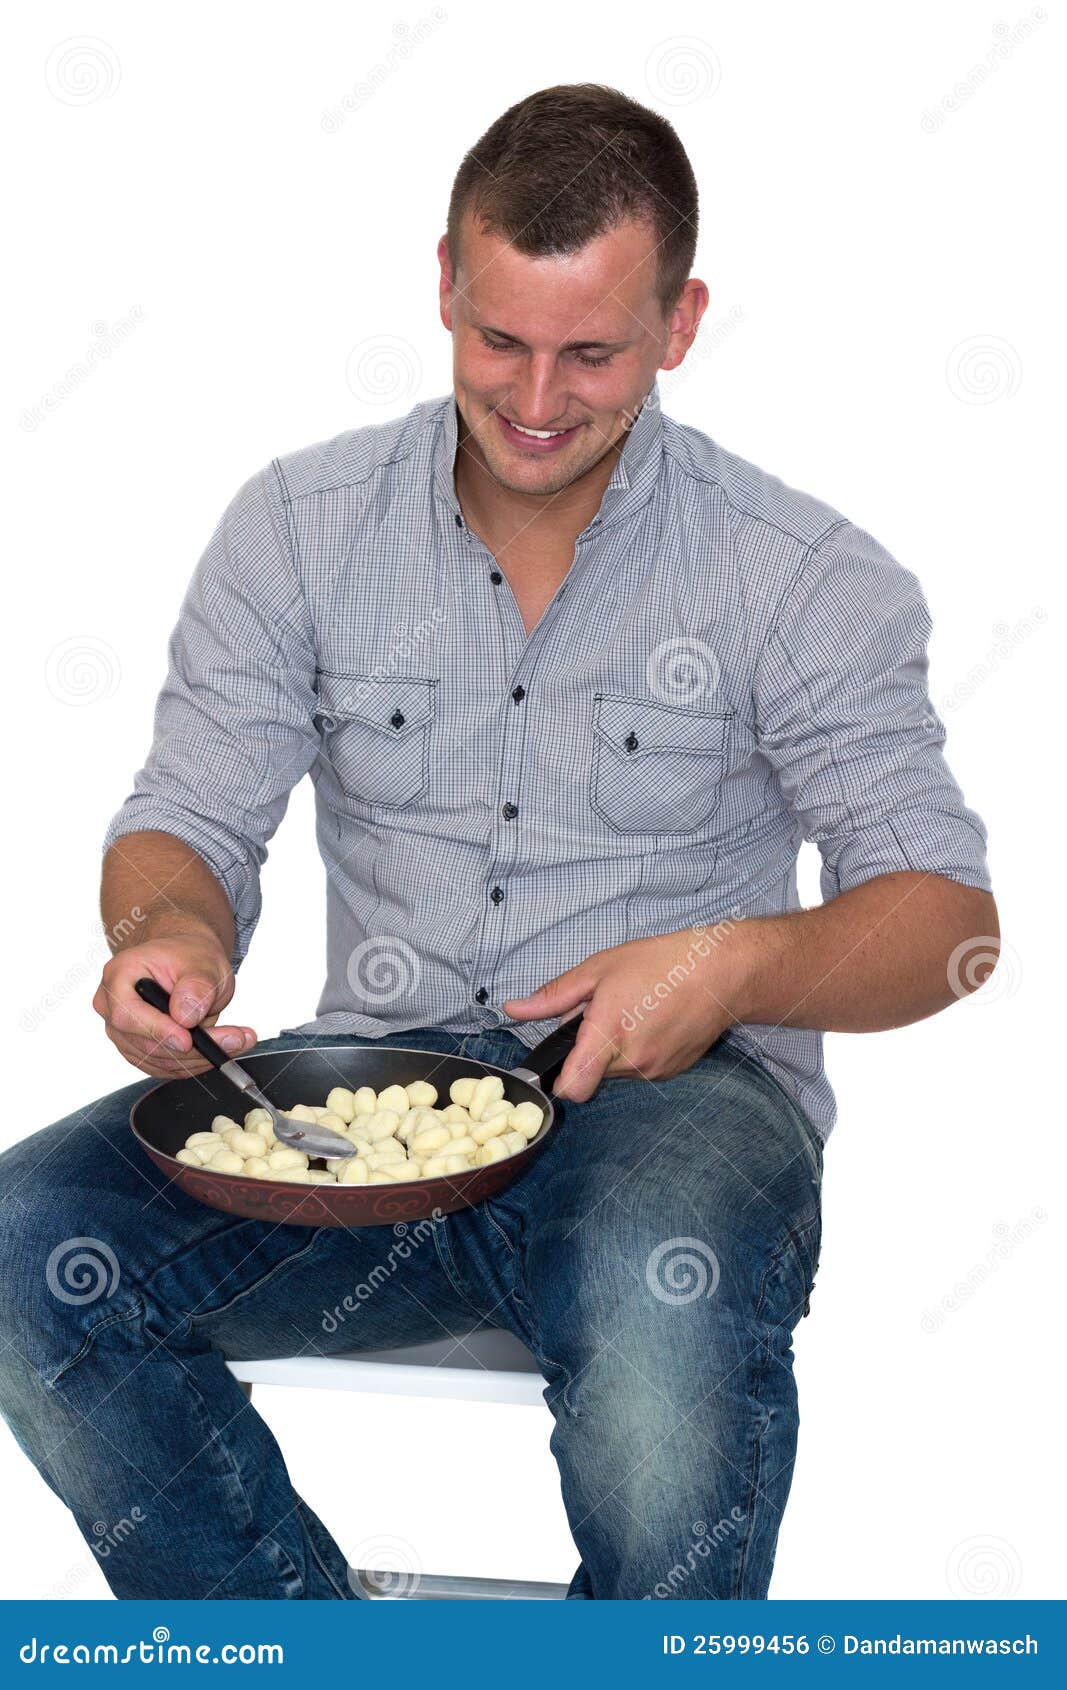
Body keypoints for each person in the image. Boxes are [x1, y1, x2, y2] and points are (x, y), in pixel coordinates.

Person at [0, 83, 997, 1601]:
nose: (536, 396)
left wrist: (731, 965)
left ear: (681, 321)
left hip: (673, 1113)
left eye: (591, 351)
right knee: (21, 1241)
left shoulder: (799, 575)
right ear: (446, 289)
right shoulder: (298, 526)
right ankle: (302, 1647)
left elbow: (943, 915)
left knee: (657, 1305)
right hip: (356, 1121)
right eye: (499, 339)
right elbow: (184, 823)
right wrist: (174, 935)